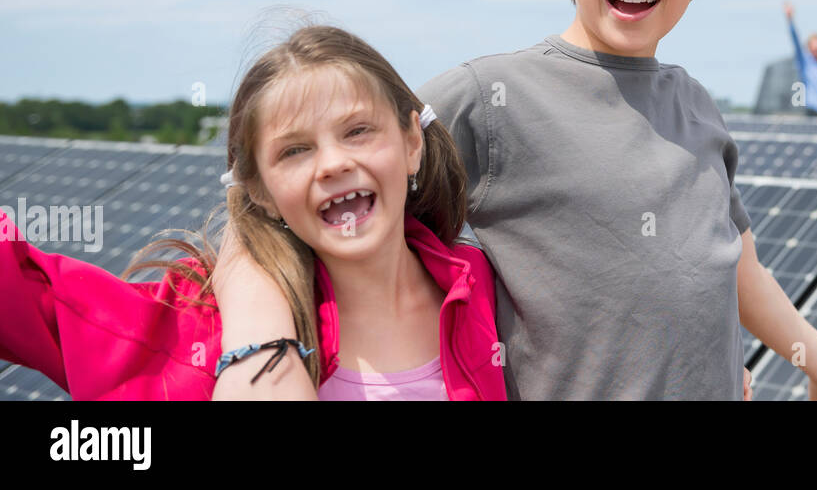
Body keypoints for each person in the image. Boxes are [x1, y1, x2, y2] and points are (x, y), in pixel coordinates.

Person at [212, 0, 817, 400]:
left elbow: (738, 268)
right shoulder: (492, 96)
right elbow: (297, 185)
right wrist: (259, 348)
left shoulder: (697, 106)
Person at [0, 25, 506, 400]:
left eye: (357, 131)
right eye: (294, 151)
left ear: (412, 142)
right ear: (259, 191)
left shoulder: (495, 291)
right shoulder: (195, 323)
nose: (333, 164)